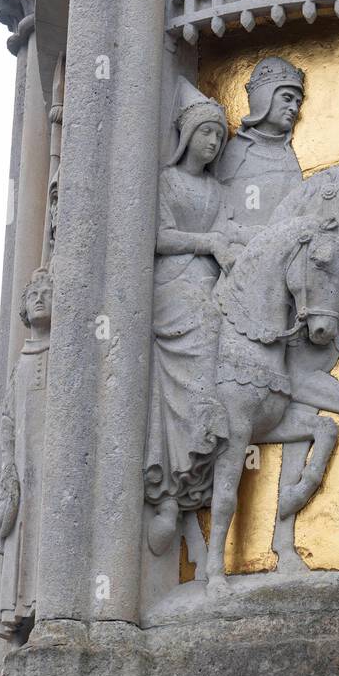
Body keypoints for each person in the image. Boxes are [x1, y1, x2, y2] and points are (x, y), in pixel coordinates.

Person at [143, 80, 237, 555]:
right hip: (173, 291)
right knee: (206, 337)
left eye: (219, 138)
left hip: (209, 285)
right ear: (187, 137)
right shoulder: (166, 181)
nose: (213, 143)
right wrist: (208, 245)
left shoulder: (219, 191)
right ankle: (173, 485)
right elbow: (157, 237)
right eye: (206, 134)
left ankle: (196, 475)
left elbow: (228, 235)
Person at [0, 268, 53, 640]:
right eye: (33, 295)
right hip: (22, 467)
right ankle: (19, 612)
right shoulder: (22, 363)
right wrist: (7, 468)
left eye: (47, 293)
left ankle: (42, 603)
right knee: (24, 527)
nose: (40, 299)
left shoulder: (64, 353)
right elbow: (6, 419)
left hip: (51, 466)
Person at [214, 56, 305, 229]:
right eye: (287, 98)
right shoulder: (236, 153)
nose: (294, 108)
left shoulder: (288, 155)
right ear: (265, 97)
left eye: (298, 102)